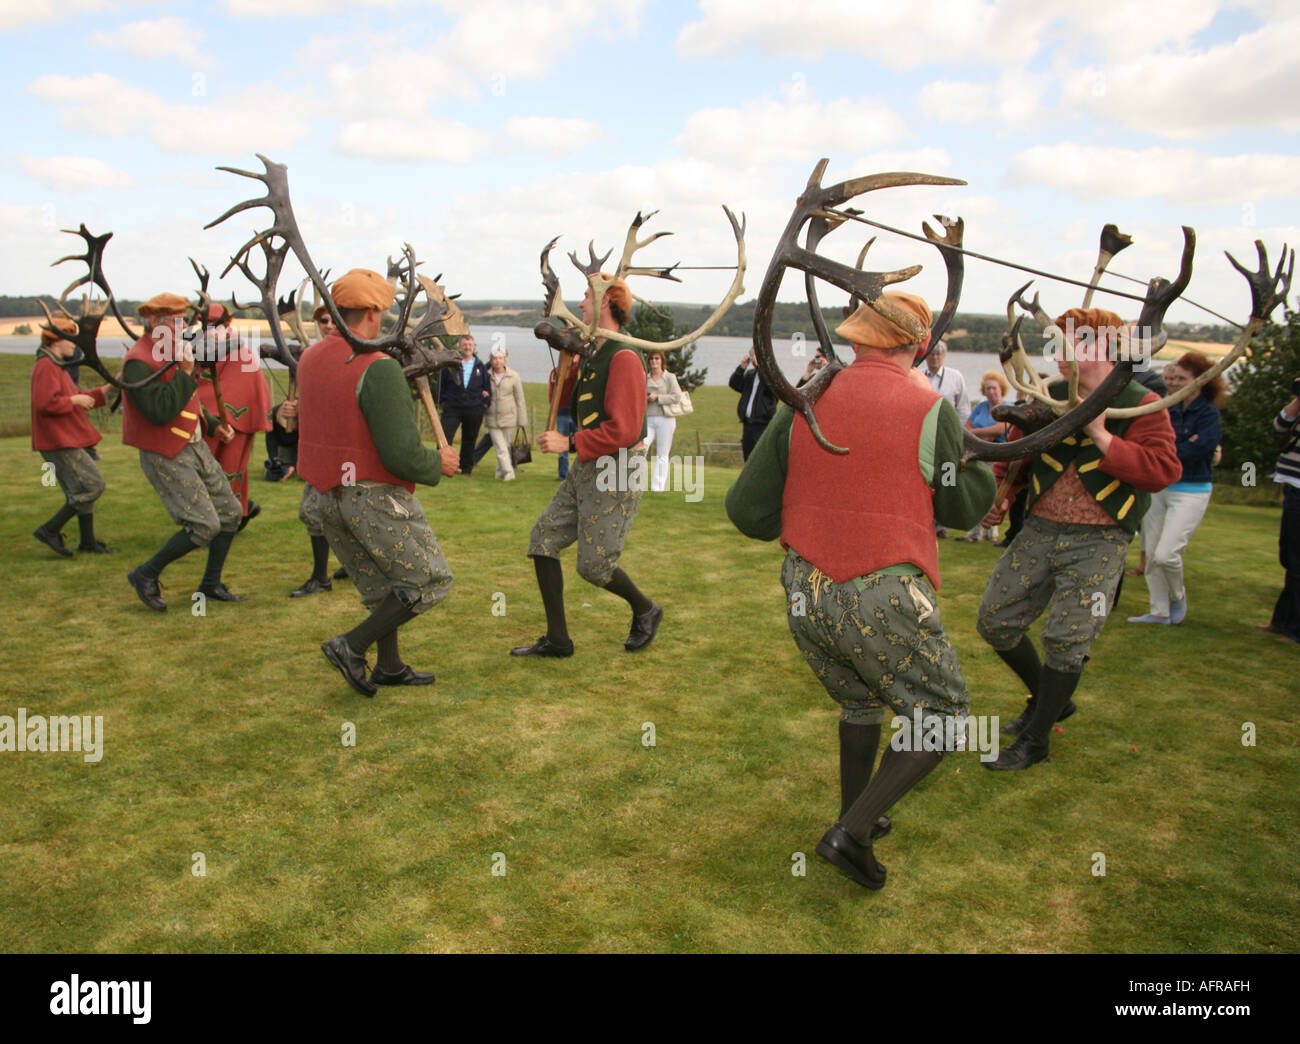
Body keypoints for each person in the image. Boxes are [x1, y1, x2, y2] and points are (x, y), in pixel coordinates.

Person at [725, 292, 995, 890]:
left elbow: (746, 510)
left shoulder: (807, 399)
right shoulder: (931, 410)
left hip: (805, 589)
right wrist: (979, 467)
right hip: (885, 593)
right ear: (920, 345)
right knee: (945, 719)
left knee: (860, 701)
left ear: (854, 338)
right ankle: (850, 834)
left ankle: (860, 820)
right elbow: (962, 504)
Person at [976, 308, 1181, 770]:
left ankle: (1037, 739)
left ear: (1104, 347)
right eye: (1058, 343)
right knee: (995, 620)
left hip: (1102, 539)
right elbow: (1017, 452)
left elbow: (1162, 471)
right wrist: (1002, 495)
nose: (1060, 354)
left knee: (1068, 639)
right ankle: (1051, 699)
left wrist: (1101, 435)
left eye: (1073, 343)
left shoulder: (1142, 402)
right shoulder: (1046, 394)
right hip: (1039, 529)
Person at [296, 269, 459, 696]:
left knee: (385, 586)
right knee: (427, 581)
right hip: (374, 497)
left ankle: (389, 666)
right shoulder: (378, 367)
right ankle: (351, 646)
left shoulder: (310, 359)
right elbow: (400, 453)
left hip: (326, 497)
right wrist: (436, 462)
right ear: (371, 312)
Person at [512, 276, 660, 657]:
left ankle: (646, 609)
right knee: (543, 539)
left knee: (595, 566)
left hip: (618, 467)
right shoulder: (596, 353)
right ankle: (558, 640)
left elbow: (624, 429)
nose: (579, 306)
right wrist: (565, 363)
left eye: (585, 298)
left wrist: (571, 442)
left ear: (607, 302)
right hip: (589, 465)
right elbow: (568, 403)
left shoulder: (624, 356)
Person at [122, 293, 243, 612]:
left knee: (231, 513)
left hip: (195, 444)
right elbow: (160, 411)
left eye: (181, 319)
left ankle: (210, 584)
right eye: (172, 320)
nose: (180, 325)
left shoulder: (170, 348)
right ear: (152, 321)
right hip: (165, 452)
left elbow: (191, 400)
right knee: (205, 525)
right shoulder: (138, 361)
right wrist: (188, 371)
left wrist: (214, 423)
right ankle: (145, 574)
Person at [1128, 351, 1223, 625]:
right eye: (1170, 377)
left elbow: (1201, 448)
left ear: (1200, 380)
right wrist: (1179, 446)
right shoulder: (1163, 408)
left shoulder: (1209, 413)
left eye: (1181, 378)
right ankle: (1159, 611)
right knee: (1153, 548)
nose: (1173, 383)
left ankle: (1177, 596)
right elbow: (1148, 442)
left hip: (1191, 489)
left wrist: (1167, 450)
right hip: (1159, 487)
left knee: (1166, 554)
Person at [30, 317, 115, 556]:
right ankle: (49, 529)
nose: (75, 346)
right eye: (71, 341)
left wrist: (107, 388)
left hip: (62, 438)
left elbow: (76, 395)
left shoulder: (55, 365)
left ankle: (87, 542)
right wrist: (73, 400)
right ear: (58, 340)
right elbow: (44, 403)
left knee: (79, 489)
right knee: (92, 485)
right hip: (57, 440)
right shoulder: (46, 366)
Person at [194, 304, 272, 531]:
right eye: (205, 324)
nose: (208, 329)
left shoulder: (239, 352)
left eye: (214, 324)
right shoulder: (201, 349)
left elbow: (245, 388)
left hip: (236, 425)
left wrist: (225, 418)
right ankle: (221, 517)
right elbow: (199, 384)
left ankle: (233, 517)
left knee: (231, 471)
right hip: (210, 423)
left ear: (226, 324)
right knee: (207, 473)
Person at [1263, 376, 1300, 643]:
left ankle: (1294, 628)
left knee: (1297, 560)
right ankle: (1282, 620)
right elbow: (1279, 425)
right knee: (1289, 556)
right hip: (1292, 484)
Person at [924, 340, 971, 538]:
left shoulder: (955, 377)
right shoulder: (917, 375)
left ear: (944, 356)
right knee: (927, 479)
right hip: (925, 437)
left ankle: (944, 524)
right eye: (931, 354)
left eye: (938, 354)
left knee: (947, 479)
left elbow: (963, 408)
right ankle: (927, 521)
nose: (935, 357)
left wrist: (956, 435)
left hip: (948, 438)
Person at [957, 370, 1011, 542]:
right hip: (978, 457)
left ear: (1001, 389)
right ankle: (974, 533)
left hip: (998, 457)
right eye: (987, 388)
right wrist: (984, 434)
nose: (991, 392)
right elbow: (966, 428)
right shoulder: (980, 407)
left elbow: (1001, 429)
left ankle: (991, 532)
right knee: (976, 494)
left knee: (993, 495)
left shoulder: (1008, 408)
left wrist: (977, 433)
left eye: (994, 388)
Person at [437, 332, 491, 476]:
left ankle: (466, 469)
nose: (467, 347)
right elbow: (440, 384)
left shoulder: (481, 366)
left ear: (473, 347)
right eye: (464, 345)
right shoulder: (451, 363)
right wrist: (442, 401)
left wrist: (484, 403)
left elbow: (487, 388)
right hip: (452, 407)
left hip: (474, 408)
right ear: (459, 347)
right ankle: (442, 467)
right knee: (445, 437)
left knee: (469, 440)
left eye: (470, 345)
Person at [483, 344, 527, 481]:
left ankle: (499, 471)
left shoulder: (514, 376)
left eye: (500, 358)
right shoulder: (486, 376)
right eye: (495, 358)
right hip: (492, 417)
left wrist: (521, 421)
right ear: (491, 359)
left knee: (505, 447)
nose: (497, 361)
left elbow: (520, 399)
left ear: (505, 359)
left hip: (509, 417)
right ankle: (509, 472)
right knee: (500, 446)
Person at [643, 350, 682, 493]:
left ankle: (657, 487)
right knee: (641, 450)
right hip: (648, 419)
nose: (654, 361)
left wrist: (658, 397)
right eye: (651, 359)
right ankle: (635, 483)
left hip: (666, 419)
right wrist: (646, 398)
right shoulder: (645, 378)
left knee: (662, 454)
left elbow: (676, 396)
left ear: (662, 361)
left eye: (657, 358)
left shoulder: (669, 377)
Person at [729, 347, 776, 460]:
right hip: (748, 424)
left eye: (756, 356)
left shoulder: (773, 375)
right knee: (748, 457)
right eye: (752, 356)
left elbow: (772, 388)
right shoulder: (751, 375)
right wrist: (741, 368)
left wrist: (761, 367)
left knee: (760, 458)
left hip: (762, 424)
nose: (754, 359)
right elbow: (734, 384)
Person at [549, 363, 579, 480]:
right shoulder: (555, 372)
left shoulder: (576, 371)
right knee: (562, 448)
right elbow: (552, 392)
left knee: (580, 445)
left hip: (575, 412)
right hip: (562, 412)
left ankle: (580, 474)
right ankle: (563, 475)